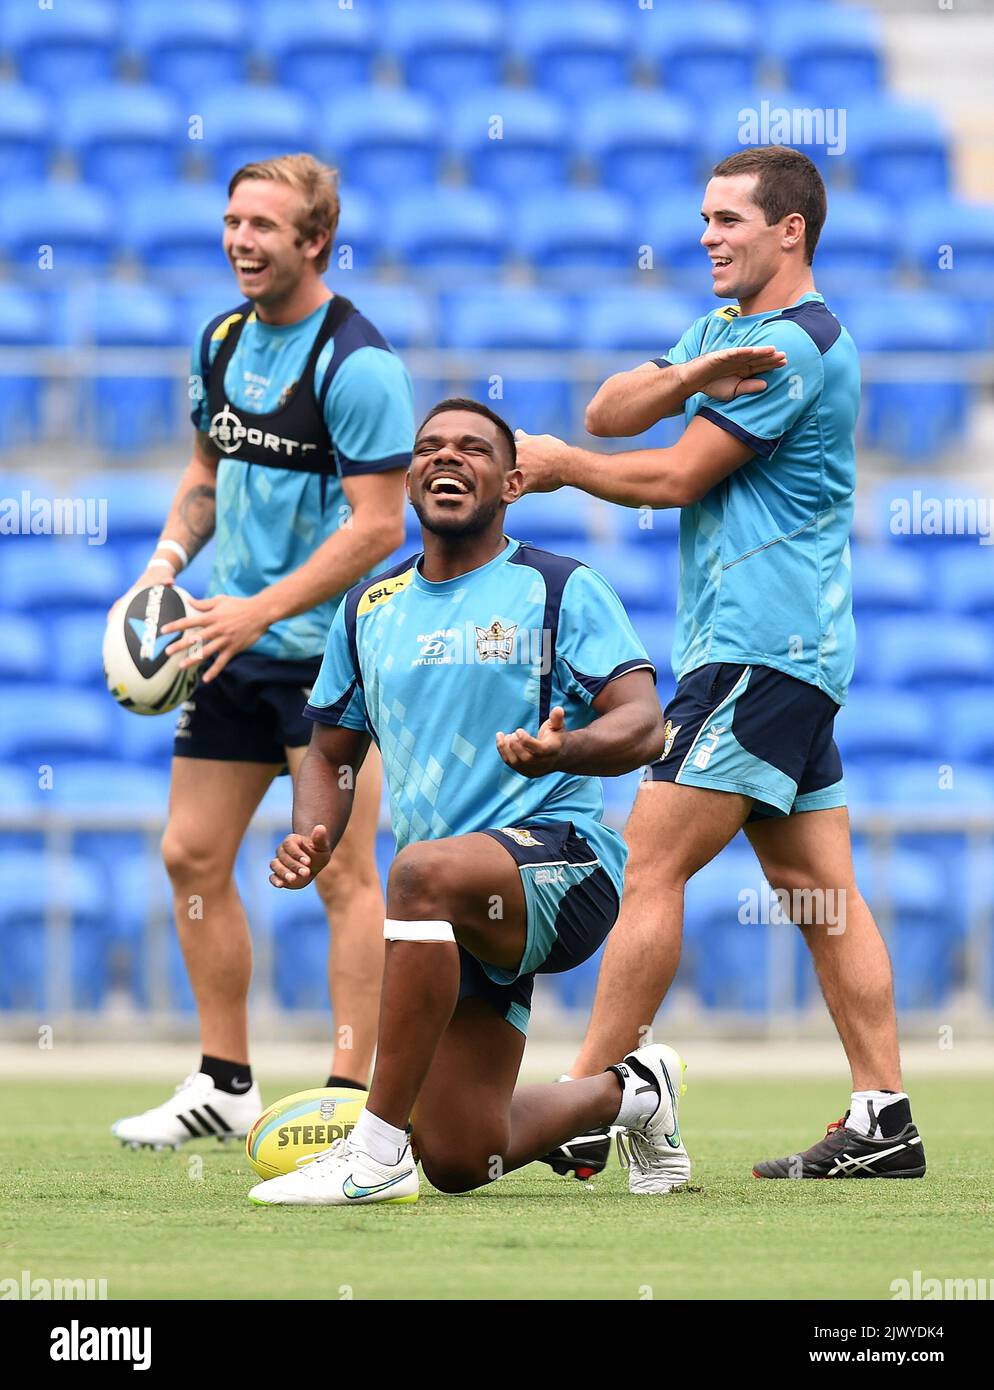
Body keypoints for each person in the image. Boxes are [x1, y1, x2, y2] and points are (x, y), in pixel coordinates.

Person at [515, 147, 926, 1181]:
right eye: (701, 217)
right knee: (819, 890)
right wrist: (690, 371)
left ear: (790, 229)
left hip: (756, 647)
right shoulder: (725, 335)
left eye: (728, 219)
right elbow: (613, 406)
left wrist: (561, 465)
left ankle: (585, 1094)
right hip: (781, 652)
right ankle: (884, 1117)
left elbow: (669, 474)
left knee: (651, 861)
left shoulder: (797, 344)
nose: (705, 235)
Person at [249, 399, 688, 1207]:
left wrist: (568, 747)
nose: (447, 458)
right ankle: (631, 1094)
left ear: (513, 481)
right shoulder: (367, 610)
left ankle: (373, 1156)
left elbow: (645, 727)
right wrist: (310, 831)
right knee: (459, 1155)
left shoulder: (561, 588)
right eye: (429, 448)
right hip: (450, 909)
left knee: (415, 872)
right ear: (411, 478)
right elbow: (331, 754)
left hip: (564, 865)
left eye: (473, 449)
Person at [111, 154, 412, 1150]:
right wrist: (164, 565)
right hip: (227, 647)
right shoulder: (222, 342)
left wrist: (257, 609)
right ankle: (225, 1080)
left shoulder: (357, 364)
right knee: (190, 851)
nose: (241, 240)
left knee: (342, 873)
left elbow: (377, 527)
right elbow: (205, 465)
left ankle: (348, 1101)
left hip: (332, 660)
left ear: (315, 241)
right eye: (233, 220)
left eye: (264, 227)